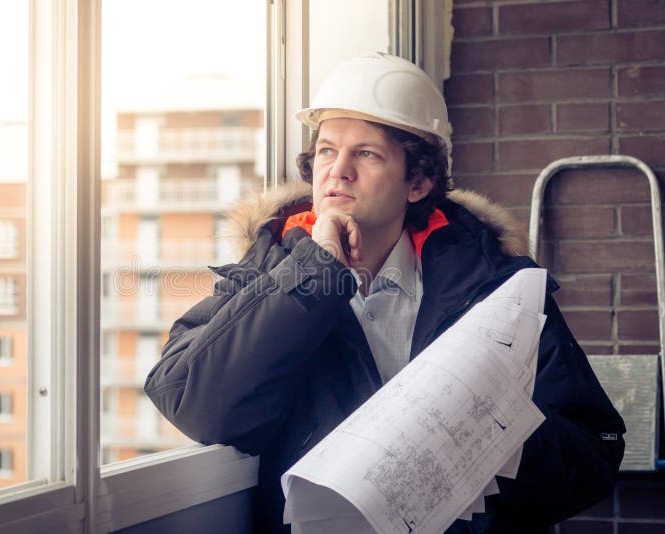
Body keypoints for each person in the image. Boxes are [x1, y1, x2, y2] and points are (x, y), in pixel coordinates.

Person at [145, 52, 625, 533]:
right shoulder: (267, 274)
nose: (338, 171)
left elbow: (594, 452)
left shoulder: (495, 284)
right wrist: (315, 272)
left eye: (366, 154)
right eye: (327, 151)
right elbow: (194, 406)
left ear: (418, 182)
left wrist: (492, 436)